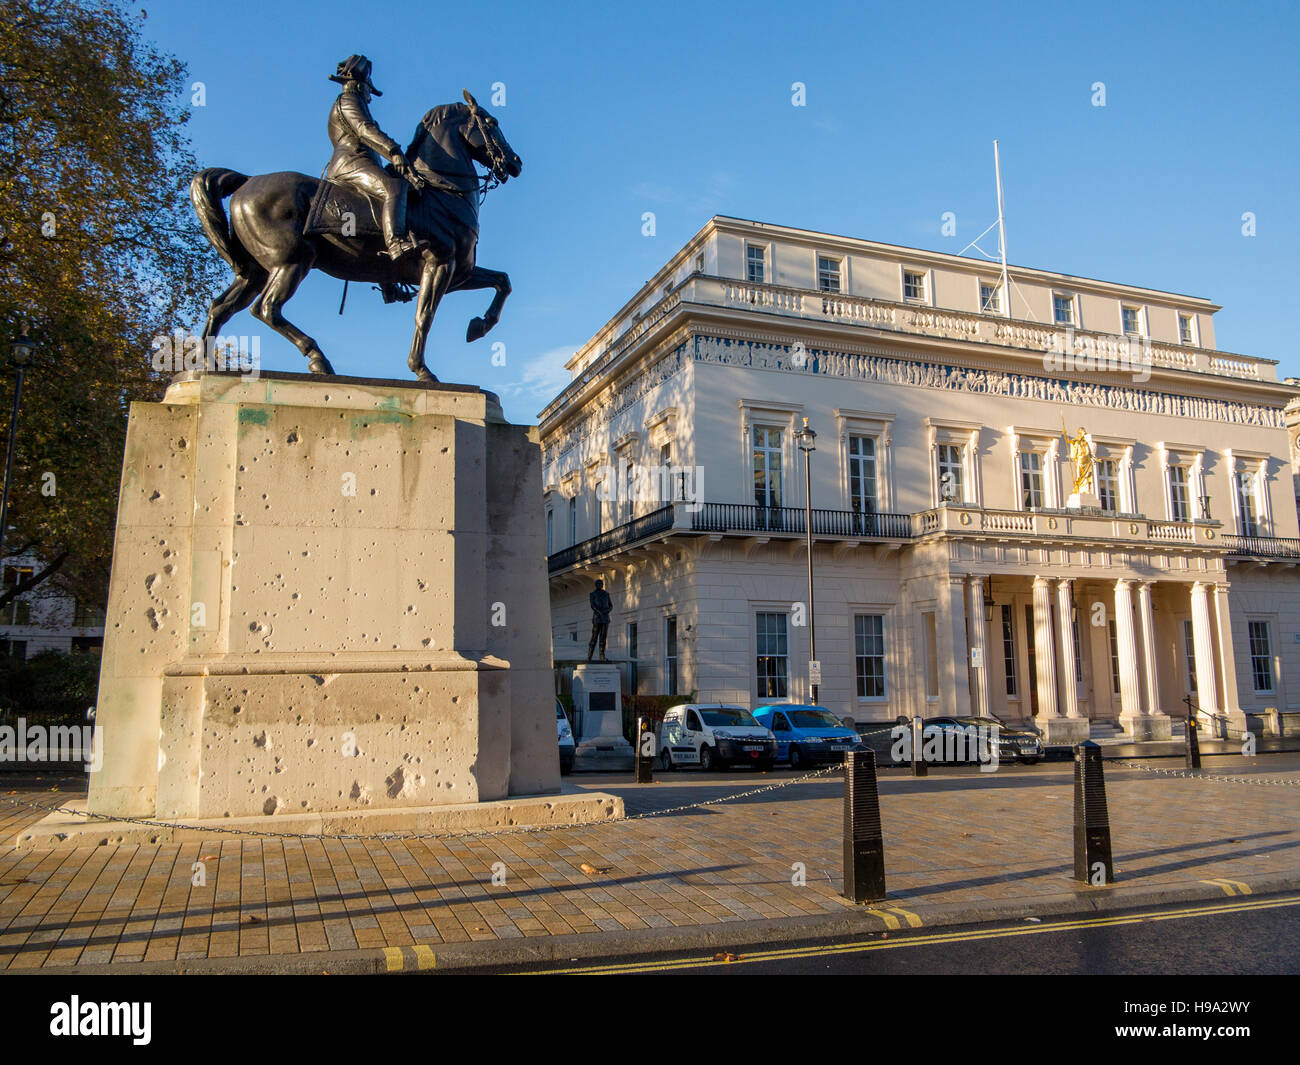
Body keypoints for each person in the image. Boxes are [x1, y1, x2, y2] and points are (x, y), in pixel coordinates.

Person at [323, 55, 422, 262]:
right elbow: (364, 130)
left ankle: (387, 277)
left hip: (362, 162)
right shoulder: (349, 101)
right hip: (351, 164)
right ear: (360, 86)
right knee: (393, 188)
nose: (370, 96)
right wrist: (394, 151)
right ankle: (396, 243)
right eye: (369, 89)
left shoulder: (355, 101)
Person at [587, 579, 612, 662]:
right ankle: (589, 656)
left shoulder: (606, 594)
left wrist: (606, 611)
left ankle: (602, 656)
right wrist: (599, 612)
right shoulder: (593, 594)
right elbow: (592, 605)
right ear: (596, 585)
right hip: (597, 618)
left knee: (603, 638)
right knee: (594, 637)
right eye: (598, 584)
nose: (600, 585)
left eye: (601, 584)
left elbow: (611, 605)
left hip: (605, 618)